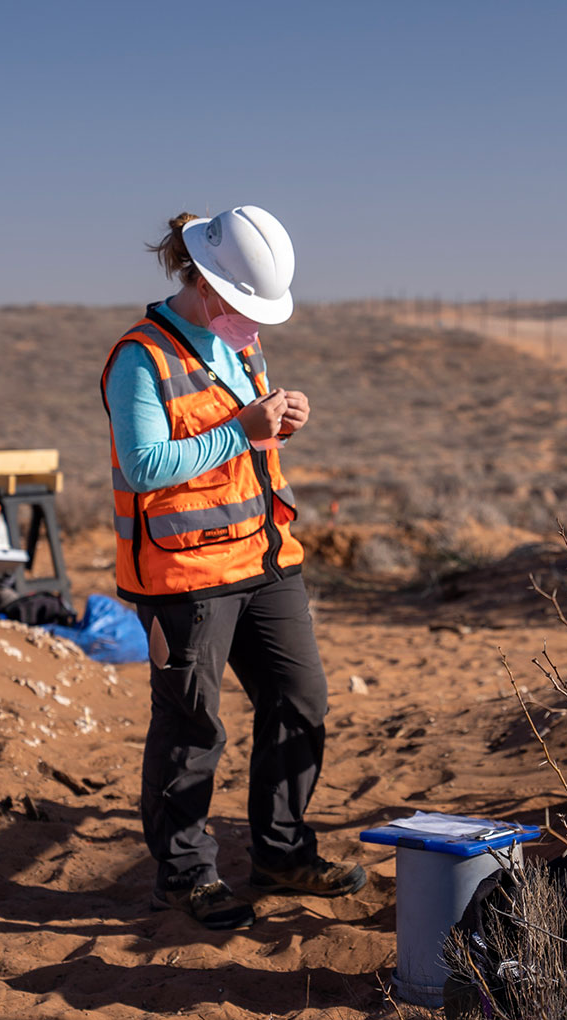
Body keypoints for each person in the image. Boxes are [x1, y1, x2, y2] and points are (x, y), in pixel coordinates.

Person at [101, 205, 365, 932]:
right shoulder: (141, 358)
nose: (251, 318)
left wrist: (278, 423)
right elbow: (146, 465)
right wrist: (240, 429)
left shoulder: (241, 347)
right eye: (242, 301)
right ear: (208, 282)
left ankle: (282, 851)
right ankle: (185, 875)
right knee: (192, 728)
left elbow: (241, 444)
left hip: (265, 559)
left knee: (299, 699)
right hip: (185, 578)